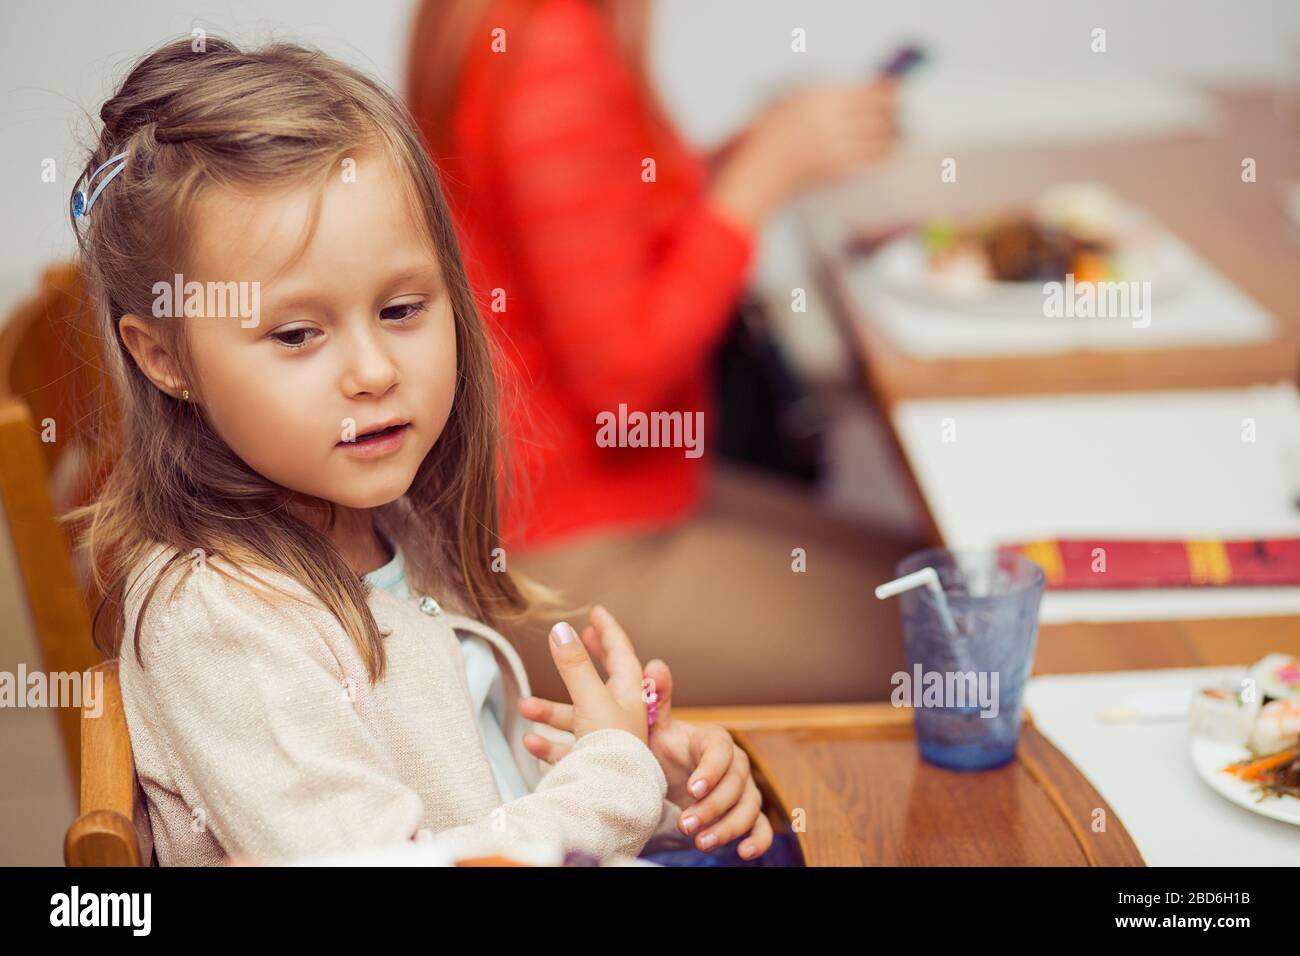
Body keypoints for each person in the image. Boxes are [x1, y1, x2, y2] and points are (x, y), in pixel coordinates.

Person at [67, 37, 773, 864]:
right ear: (165, 359)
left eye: (403, 309)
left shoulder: (383, 519)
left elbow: (473, 803)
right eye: (297, 334)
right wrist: (609, 784)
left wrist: (650, 784)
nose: (374, 371)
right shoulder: (222, 627)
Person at [408, 0, 923, 706]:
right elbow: (621, 380)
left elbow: (591, 222)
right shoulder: (551, 47)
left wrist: (752, 151)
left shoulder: (509, 21)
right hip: (568, 546)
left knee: (939, 575)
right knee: (966, 639)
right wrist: (766, 173)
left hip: (599, 500)